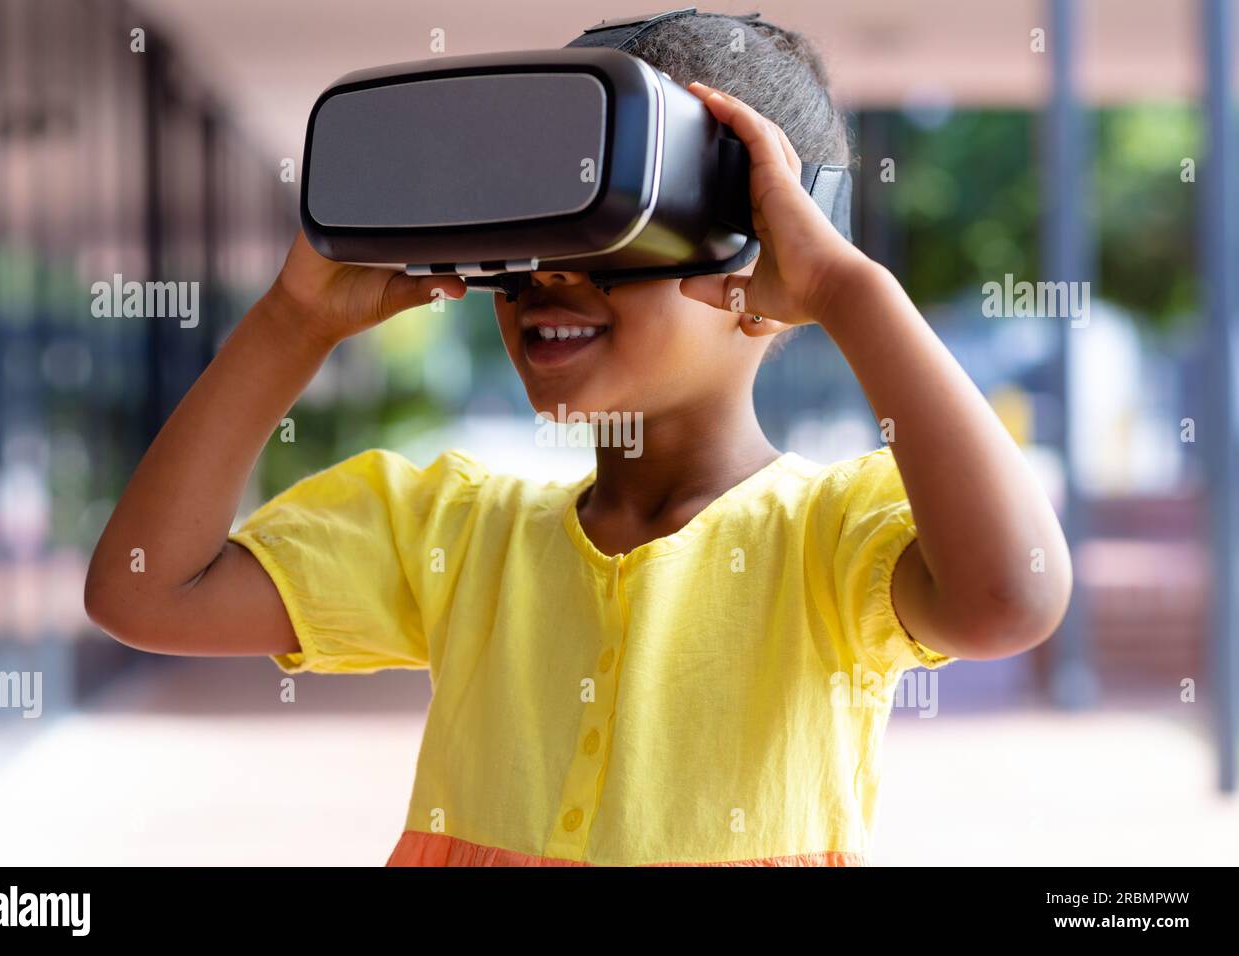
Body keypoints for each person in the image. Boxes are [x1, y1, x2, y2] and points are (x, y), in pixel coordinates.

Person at [84, 12, 1071, 866]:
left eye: (613, 240)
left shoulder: (830, 541)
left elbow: (1007, 595)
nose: (549, 279)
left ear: (765, 269)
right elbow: (143, 587)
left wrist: (849, 290)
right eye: (532, 240)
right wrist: (291, 321)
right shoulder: (455, 532)